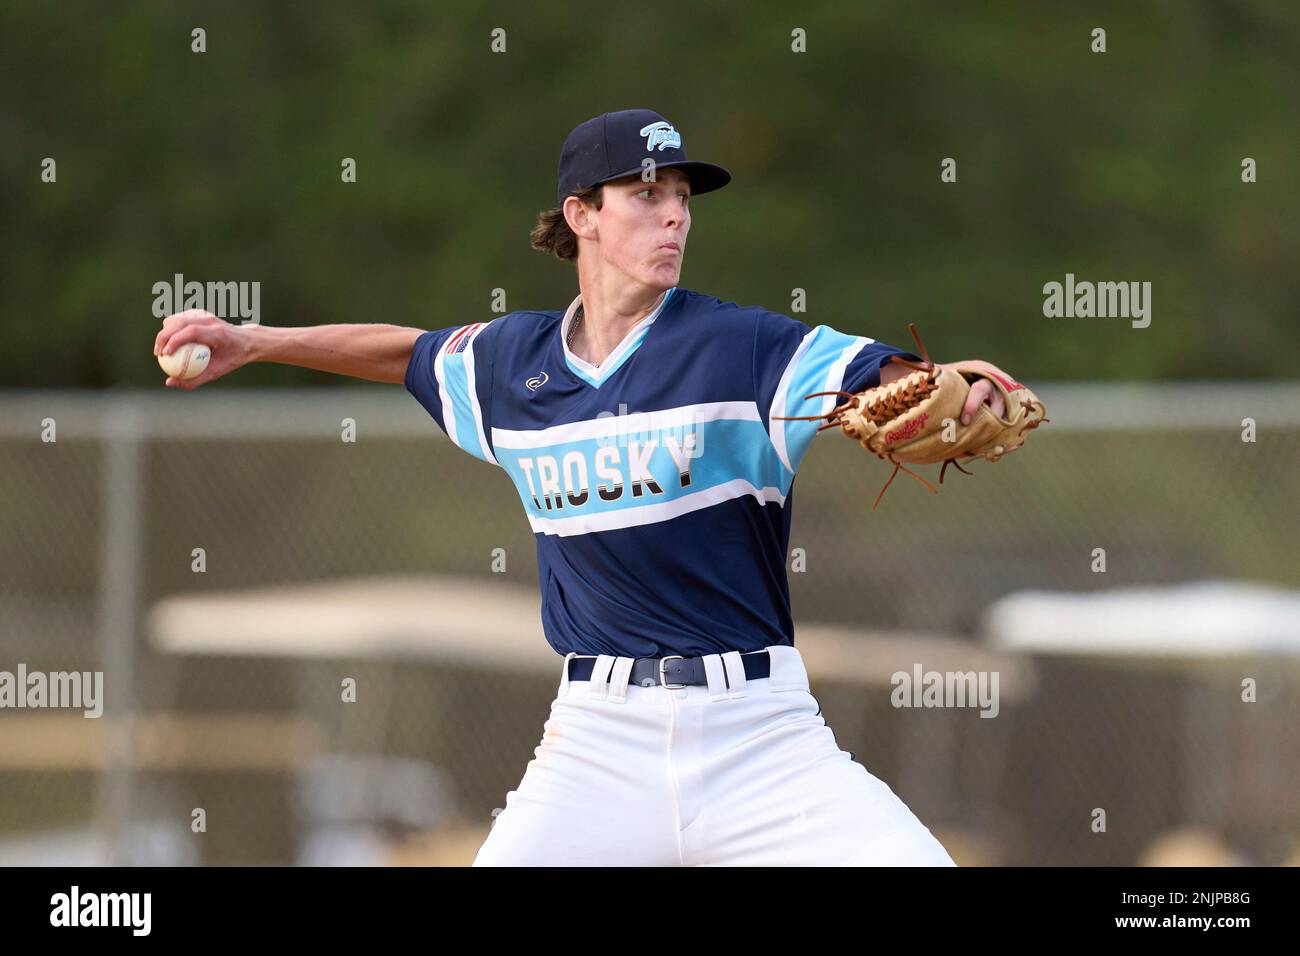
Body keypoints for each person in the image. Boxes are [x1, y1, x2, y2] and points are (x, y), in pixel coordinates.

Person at [156, 108, 1013, 866]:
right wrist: (255, 341)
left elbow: (889, 378)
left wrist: (958, 383)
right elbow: (404, 350)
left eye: (682, 194)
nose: (674, 212)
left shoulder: (743, 346)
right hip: (598, 741)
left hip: (761, 735)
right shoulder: (511, 365)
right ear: (581, 215)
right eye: (645, 192)